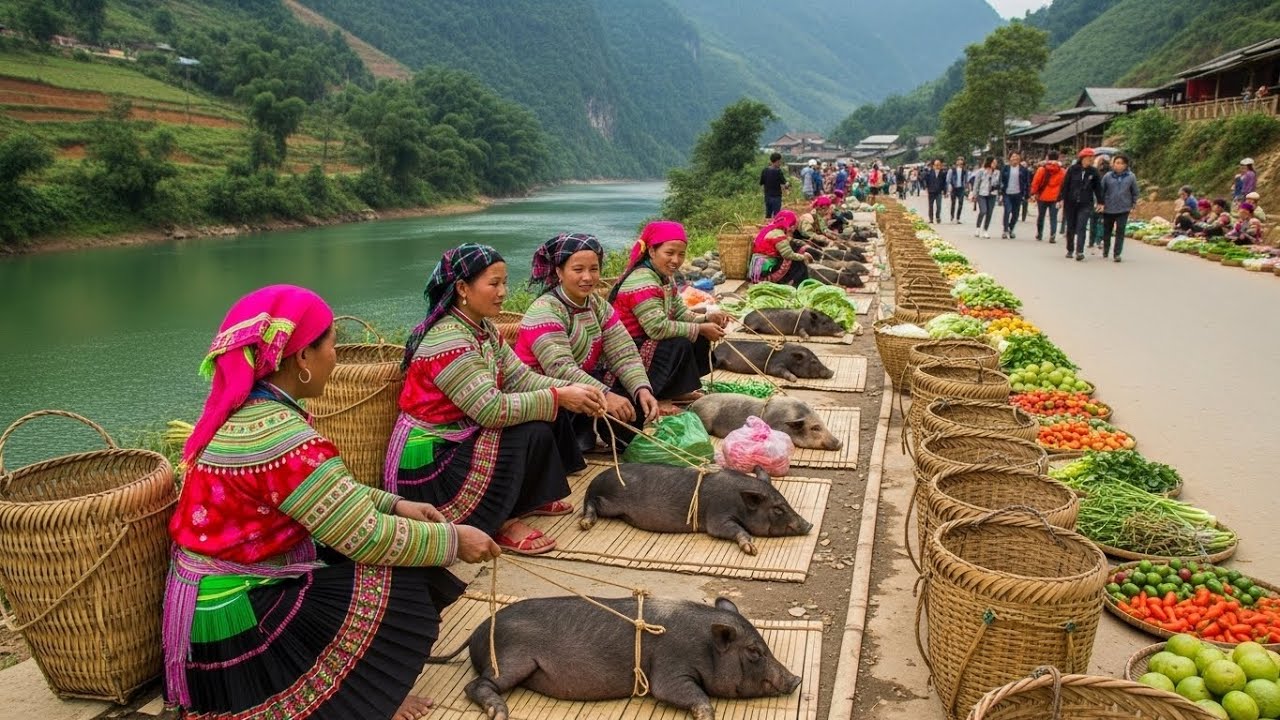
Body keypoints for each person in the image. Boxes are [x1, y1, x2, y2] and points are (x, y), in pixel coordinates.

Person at [163, 284, 497, 720]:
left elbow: (329, 498)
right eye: (331, 345)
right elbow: (368, 538)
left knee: (374, 554)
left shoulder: (243, 411)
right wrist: (454, 540)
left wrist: (394, 505)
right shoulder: (283, 437)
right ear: (302, 357)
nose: (335, 357)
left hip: (209, 597)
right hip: (237, 614)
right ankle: (365, 695)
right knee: (404, 580)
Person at [390, 244, 606, 556]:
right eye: (494, 284)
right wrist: (559, 396)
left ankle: (529, 498)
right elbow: (491, 410)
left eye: (504, 282)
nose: (503, 292)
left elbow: (520, 378)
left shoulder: (483, 329)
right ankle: (501, 521)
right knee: (523, 430)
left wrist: (574, 391)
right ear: (463, 288)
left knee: (545, 415)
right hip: (430, 461)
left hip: (460, 435)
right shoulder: (448, 339)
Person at [516, 233, 661, 455]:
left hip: (583, 386)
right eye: (578, 269)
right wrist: (606, 395)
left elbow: (623, 353)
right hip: (548, 394)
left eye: (593, 269)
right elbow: (561, 369)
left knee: (635, 403)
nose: (587, 277)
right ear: (559, 272)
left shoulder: (597, 305)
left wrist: (642, 388)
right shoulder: (545, 310)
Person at [610, 221, 729, 401]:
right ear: (651, 251)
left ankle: (678, 391)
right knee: (680, 343)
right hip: (629, 348)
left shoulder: (665, 277)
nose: (676, 260)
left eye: (681, 254)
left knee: (697, 335)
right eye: (669, 253)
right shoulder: (642, 282)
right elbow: (657, 328)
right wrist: (700, 328)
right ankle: (661, 395)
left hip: (648, 340)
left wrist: (707, 318)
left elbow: (680, 312)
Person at [1060, 148, 1104, 261]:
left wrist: (1100, 202)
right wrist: (1060, 199)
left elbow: (1098, 188)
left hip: (1086, 203)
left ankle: (1079, 251)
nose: (1091, 159)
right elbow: (1065, 185)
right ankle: (1070, 249)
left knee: (1082, 226)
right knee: (1071, 227)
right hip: (1071, 203)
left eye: (1092, 158)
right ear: (1082, 158)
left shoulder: (1094, 172)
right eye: (1089, 157)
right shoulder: (1072, 169)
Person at [749, 209, 812, 286]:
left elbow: (787, 241)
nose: (793, 228)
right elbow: (788, 254)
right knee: (797, 258)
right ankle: (791, 281)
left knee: (796, 251)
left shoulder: (770, 228)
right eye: (792, 225)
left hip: (759, 266)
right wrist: (804, 257)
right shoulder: (778, 234)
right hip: (766, 269)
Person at [1099, 154, 1139, 262]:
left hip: (1124, 208)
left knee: (1120, 231)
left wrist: (1134, 203)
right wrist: (1100, 203)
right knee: (1107, 230)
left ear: (1126, 165)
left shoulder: (1131, 177)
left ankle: (1117, 253)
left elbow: (1134, 191)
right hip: (1108, 208)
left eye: (1122, 163)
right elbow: (1101, 191)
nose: (1119, 165)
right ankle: (1106, 250)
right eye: (1117, 163)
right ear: (1113, 164)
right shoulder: (1107, 176)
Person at [1031, 150, 1066, 244]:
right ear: (1058, 158)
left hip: (1042, 196)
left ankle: (1039, 233)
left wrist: (1033, 193)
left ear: (1047, 157)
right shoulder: (1062, 171)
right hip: (1055, 198)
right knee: (1053, 217)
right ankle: (1052, 235)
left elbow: (1036, 182)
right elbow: (1064, 184)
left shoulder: (1041, 169)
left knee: (1041, 216)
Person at [999, 151, 1032, 239]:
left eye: (1017, 157)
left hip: (1018, 194)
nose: (1015, 159)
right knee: (1007, 210)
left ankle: (1011, 228)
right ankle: (1005, 230)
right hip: (1007, 193)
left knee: (1016, 214)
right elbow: (1001, 180)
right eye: (1013, 157)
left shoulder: (1024, 170)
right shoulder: (1005, 168)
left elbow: (1027, 183)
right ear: (1010, 158)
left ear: (1019, 159)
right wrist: (1000, 192)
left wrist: (1027, 195)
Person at [972, 156, 999, 239]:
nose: (995, 164)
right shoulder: (981, 171)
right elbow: (976, 183)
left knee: (989, 213)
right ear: (989, 162)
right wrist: (974, 194)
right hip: (982, 194)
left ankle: (985, 230)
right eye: (993, 162)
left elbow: (998, 183)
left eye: (996, 163)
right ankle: (978, 227)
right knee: (983, 211)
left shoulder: (997, 172)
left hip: (992, 194)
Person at [760, 152, 788, 219]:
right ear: (777, 161)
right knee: (777, 215)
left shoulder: (765, 171)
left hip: (767, 196)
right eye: (780, 162)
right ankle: (775, 227)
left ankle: (767, 227)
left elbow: (762, 184)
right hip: (776, 197)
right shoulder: (778, 171)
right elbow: (784, 184)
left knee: (768, 214)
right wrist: (788, 185)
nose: (780, 163)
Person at [946, 157, 970, 223]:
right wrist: (948, 188)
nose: (960, 163)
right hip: (954, 188)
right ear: (956, 162)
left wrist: (967, 188)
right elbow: (948, 179)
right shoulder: (952, 170)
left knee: (960, 203)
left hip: (961, 189)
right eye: (959, 161)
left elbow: (966, 180)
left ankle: (958, 218)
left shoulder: (965, 171)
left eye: (962, 162)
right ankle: (952, 216)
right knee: (953, 203)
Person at [922, 158, 946, 223]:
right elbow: (924, 180)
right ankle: (931, 219)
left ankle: (937, 216)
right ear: (933, 165)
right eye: (936, 165)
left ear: (941, 165)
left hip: (939, 192)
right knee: (931, 205)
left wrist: (945, 191)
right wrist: (926, 188)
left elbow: (944, 183)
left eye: (939, 165)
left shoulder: (943, 173)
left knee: (939, 206)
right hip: (931, 191)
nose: (937, 166)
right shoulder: (929, 173)